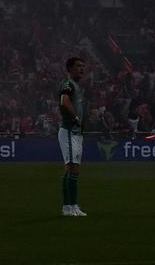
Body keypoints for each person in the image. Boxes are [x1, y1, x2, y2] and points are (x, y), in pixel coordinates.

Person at [58, 56, 88, 217]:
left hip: (75, 133)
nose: (82, 69)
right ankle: (72, 206)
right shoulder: (68, 84)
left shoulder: (76, 85)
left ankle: (68, 207)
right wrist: (76, 118)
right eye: (78, 66)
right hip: (69, 131)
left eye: (83, 66)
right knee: (73, 169)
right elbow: (64, 101)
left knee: (71, 170)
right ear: (70, 69)